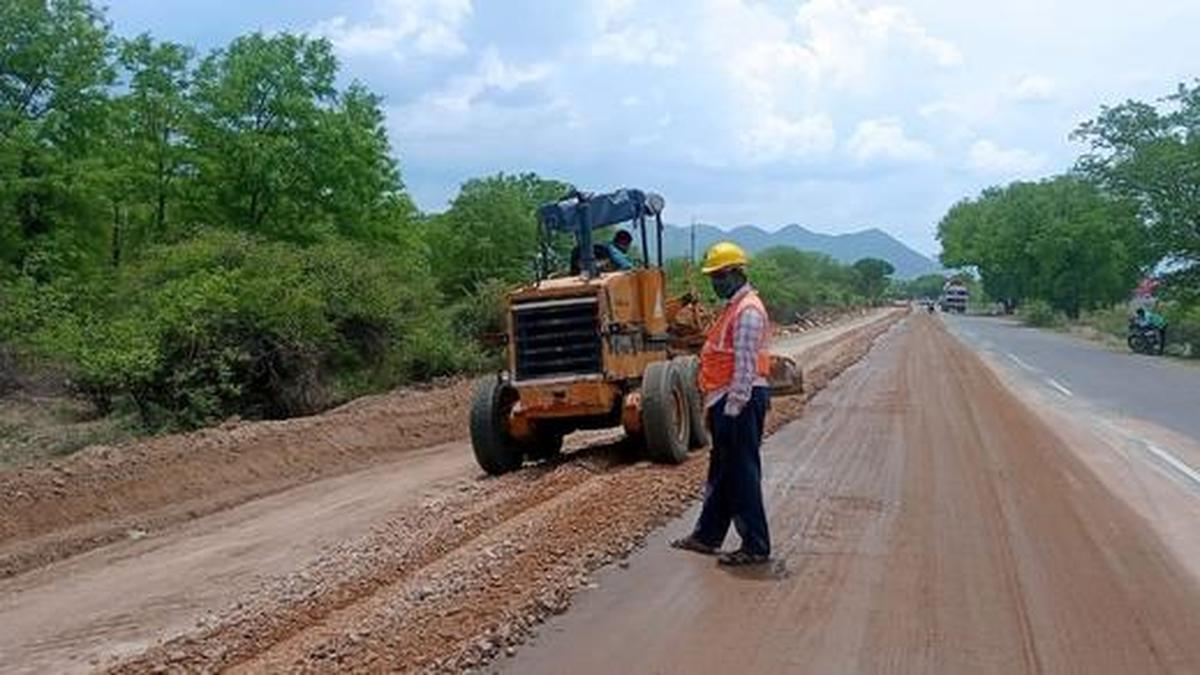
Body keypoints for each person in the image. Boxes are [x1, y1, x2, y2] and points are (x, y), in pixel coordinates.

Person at [671, 241, 773, 566]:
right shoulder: (733, 307)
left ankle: (756, 546)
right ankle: (707, 536)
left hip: (738, 400)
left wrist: (732, 409)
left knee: (742, 474)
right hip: (725, 398)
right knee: (722, 471)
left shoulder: (748, 311)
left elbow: (744, 367)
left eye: (717, 276)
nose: (714, 282)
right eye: (712, 276)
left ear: (734, 273)